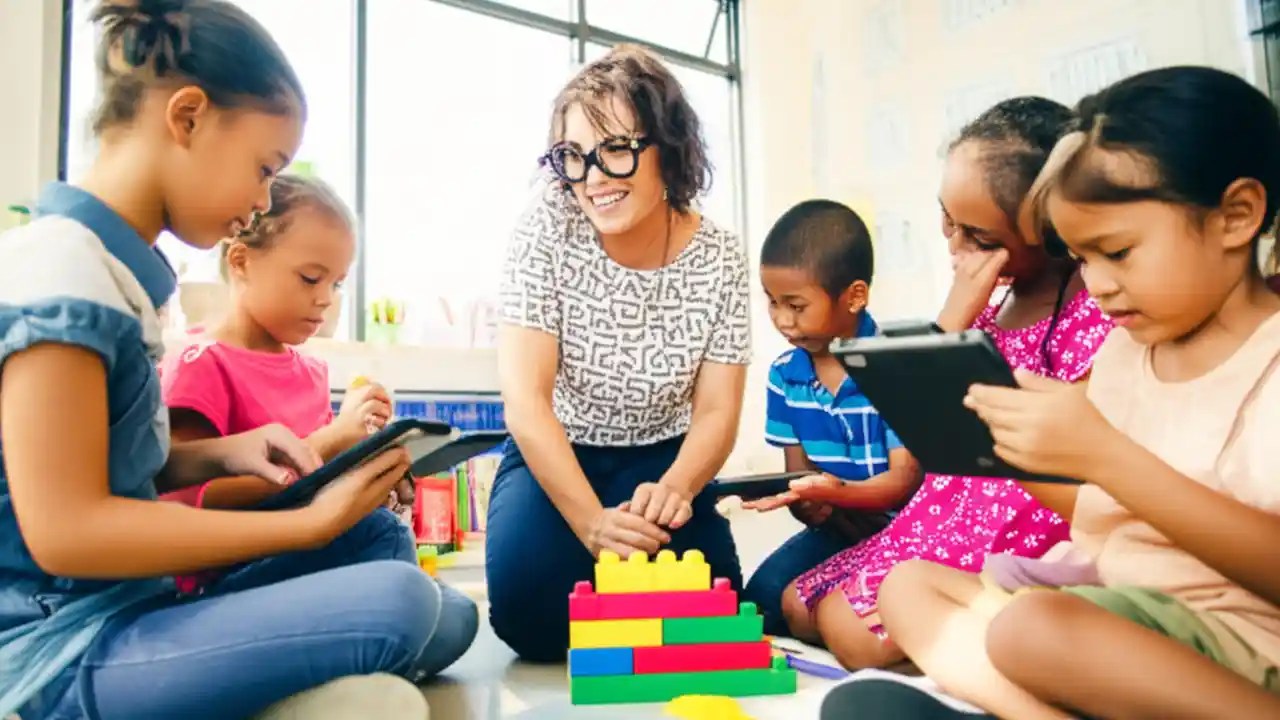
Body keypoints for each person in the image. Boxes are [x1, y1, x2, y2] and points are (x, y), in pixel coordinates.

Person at [0, 2, 435, 717]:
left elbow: (90, 459)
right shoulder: (62, 272)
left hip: (127, 612)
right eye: (264, 168)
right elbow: (67, 529)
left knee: (433, 614)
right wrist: (306, 525)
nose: (261, 198)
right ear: (189, 117)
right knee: (401, 601)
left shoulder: (113, 275)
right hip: (62, 649)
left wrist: (221, 454)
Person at [880, 65, 1280, 720]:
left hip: (1239, 646)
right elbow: (1102, 516)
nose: (1096, 285)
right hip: (1123, 608)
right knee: (909, 588)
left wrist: (1104, 456)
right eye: (1082, 258)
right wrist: (1009, 441)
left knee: (1031, 629)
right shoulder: (1126, 355)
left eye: (1117, 252)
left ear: (1235, 217)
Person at [778, 97, 1114, 670]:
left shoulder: (1096, 311)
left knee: (848, 627)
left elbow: (1066, 453)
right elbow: (919, 431)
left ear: (1054, 233)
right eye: (947, 219)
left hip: (1017, 510)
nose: (954, 245)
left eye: (979, 237)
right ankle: (933, 642)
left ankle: (952, 645)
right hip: (945, 504)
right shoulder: (988, 306)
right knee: (796, 602)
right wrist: (954, 317)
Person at [488, 43, 751, 661]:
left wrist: (677, 488)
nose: (593, 178)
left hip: (663, 461)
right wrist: (591, 524)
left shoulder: (720, 257)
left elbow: (716, 412)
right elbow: (526, 402)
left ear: (669, 149)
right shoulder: (545, 228)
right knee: (531, 619)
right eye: (573, 158)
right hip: (557, 450)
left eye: (616, 150)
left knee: (717, 608)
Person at [159, 173, 478, 677]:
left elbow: (323, 483)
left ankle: (337, 659)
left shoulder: (311, 371)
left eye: (337, 284)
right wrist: (331, 442)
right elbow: (194, 502)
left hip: (308, 557)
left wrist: (375, 472)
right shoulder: (202, 362)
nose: (326, 299)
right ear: (240, 261)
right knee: (383, 541)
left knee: (458, 618)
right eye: (310, 279)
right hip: (228, 577)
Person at [739, 199, 921, 636]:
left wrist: (837, 492)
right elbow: (799, 480)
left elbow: (903, 482)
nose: (782, 320)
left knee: (844, 606)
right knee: (760, 602)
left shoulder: (895, 367)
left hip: (904, 532)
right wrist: (811, 505)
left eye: (796, 306)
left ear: (855, 296)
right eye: (772, 303)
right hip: (839, 529)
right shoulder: (785, 376)